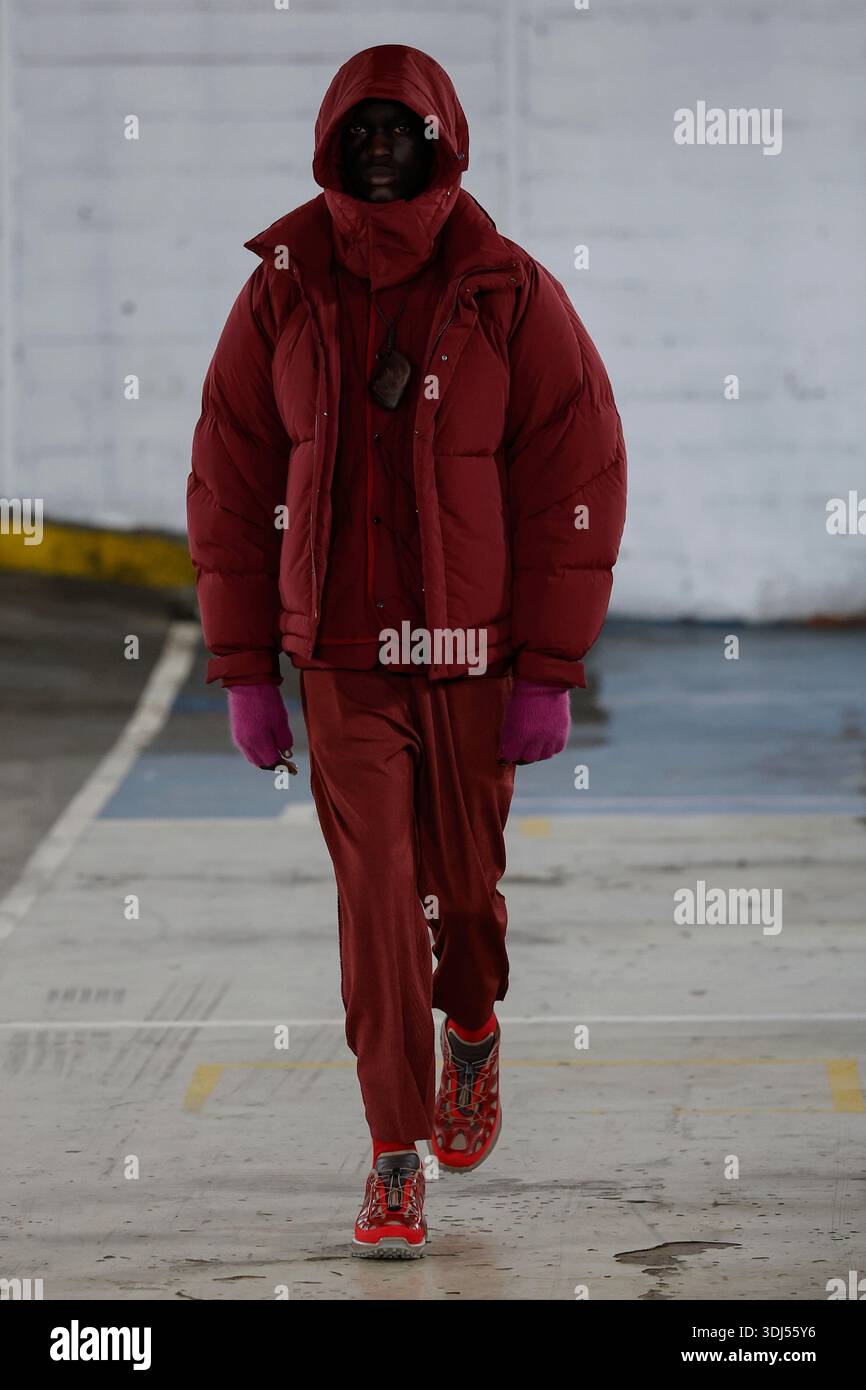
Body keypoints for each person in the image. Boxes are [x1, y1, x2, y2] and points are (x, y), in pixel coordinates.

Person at [187, 43, 627, 1259]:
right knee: (375, 894)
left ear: (441, 143)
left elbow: (575, 476)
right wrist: (242, 670)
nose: (380, 152)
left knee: (462, 896)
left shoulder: (507, 292)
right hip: (337, 658)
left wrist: (548, 665)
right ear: (332, 145)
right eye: (361, 132)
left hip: (468, 658)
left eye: (402, 132)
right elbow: (230, 476)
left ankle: (472, 1028)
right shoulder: (283, 285)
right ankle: (392, 1150)